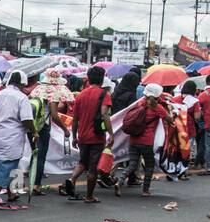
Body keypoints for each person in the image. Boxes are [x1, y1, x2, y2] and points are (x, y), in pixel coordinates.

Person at [59, 65, 112, 202]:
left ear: (88, 78)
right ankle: (89, 196)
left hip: (82, 135)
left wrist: (75, 136)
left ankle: (72, 179)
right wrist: (111, 134)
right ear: (102, 79)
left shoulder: (81, 94)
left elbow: (75, 118)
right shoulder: (104, 95)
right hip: (96, 136)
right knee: (93, 168)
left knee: (83, 162)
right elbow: (105, 115)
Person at [0, 70, 35, 207]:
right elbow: (27, 120)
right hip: (11, 135)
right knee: (7, 164)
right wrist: (34, 132)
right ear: (22, 84)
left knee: (6, 163)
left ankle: (11, 192)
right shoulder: (21, 97)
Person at [119, 83, 167, 197]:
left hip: (133, 139)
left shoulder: (139, 104)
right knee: (149, 165)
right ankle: (145, 190)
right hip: (147, 141)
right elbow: (169, 119)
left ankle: (119, 181)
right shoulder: (157, 108)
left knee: (132, 164)